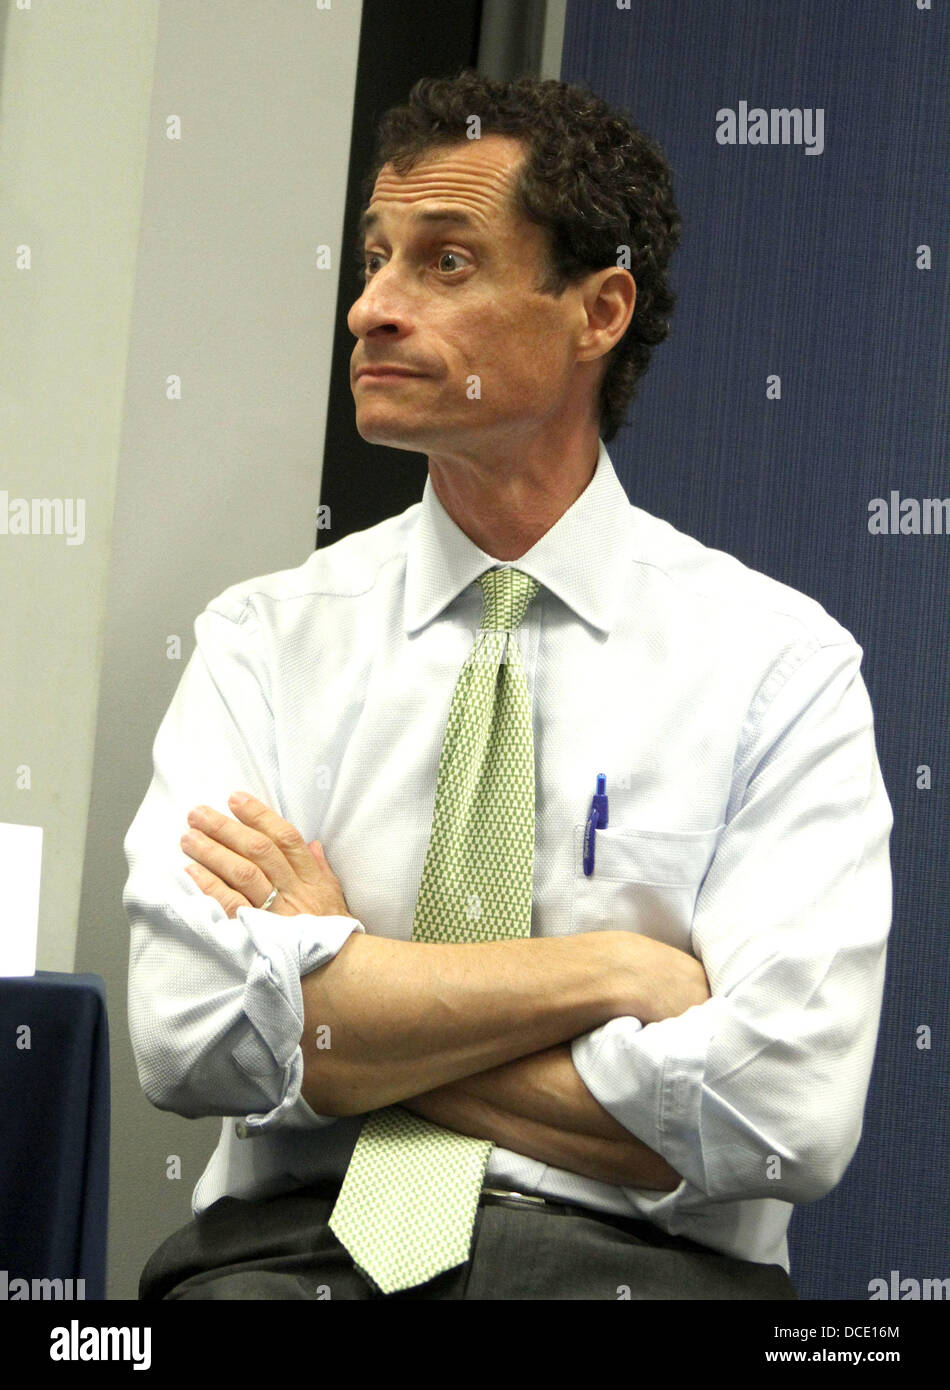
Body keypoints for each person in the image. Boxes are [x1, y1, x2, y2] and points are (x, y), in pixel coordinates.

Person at [125, 71, 893, 1301]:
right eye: (374, 259)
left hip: (634, 1275)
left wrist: (347, 993)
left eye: (444, 263)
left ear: (596, 310)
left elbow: (784, 1115)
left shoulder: (775, 667)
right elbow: (184, 1031)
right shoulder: (262, 641)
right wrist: (607, 976)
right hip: (279, 1264)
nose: (370, 308)